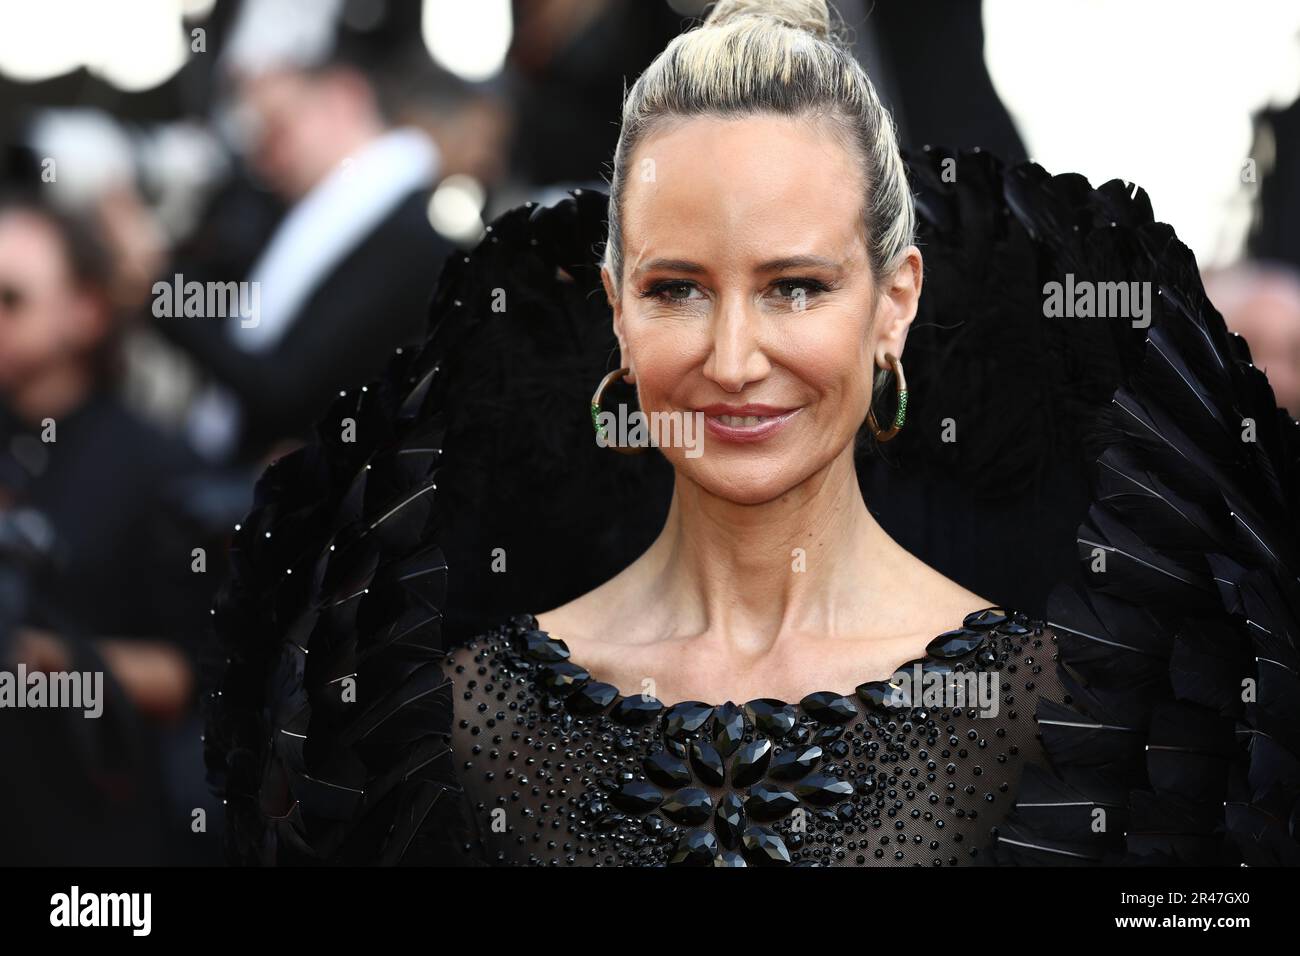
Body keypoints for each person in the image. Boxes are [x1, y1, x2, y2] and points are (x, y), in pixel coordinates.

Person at [207, 0, 1300, 867]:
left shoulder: (1068, 720)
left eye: (795, 287)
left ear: (895, 304)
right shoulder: (458, 717)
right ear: (616, 311)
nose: (733, 360)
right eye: (677, 288)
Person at [0, 192, 218, 864]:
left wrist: (37, 662)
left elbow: (195, 677)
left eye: (10, 300)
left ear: (87, 312)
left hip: (90, 832)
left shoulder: (159, 468)